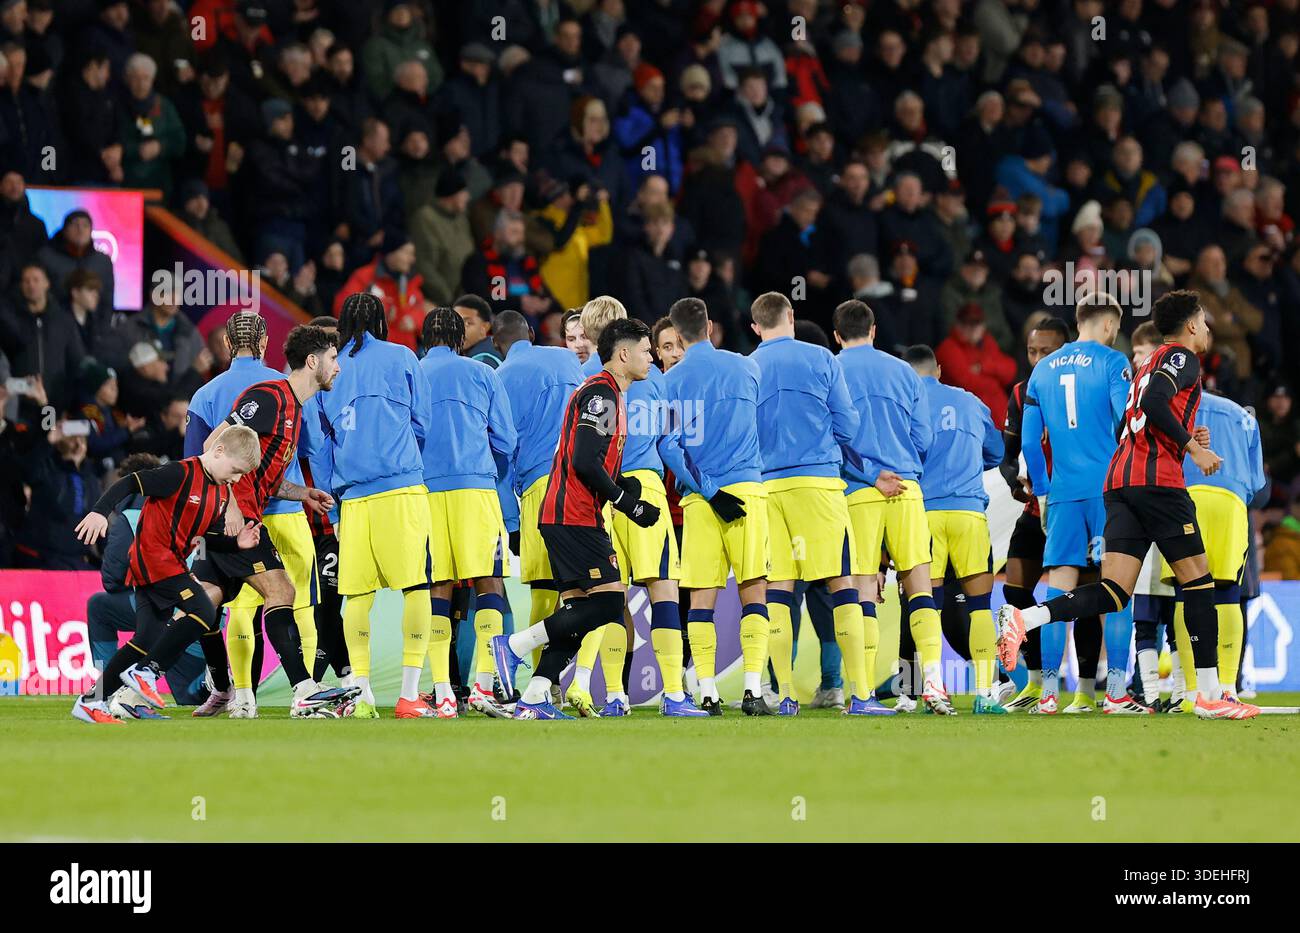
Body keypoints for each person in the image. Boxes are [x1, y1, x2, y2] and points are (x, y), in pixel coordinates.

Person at [997, 290, 1261, 720]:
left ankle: (1025, 620)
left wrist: (1185, 437)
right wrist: (1191, 449)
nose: (1209, 329)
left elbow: (1140, 416)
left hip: (1118, 483)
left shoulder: (1143, 363)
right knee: (1199, 582)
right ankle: (1211, 695)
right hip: (1157, 484)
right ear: (1191, 326)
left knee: (1113, 590)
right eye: (1204, 322)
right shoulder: (1180, 358)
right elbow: (1156, 402)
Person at [490, 318, 660, 719]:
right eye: (645, 350)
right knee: (609, 603)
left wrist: (623, 483)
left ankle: (533, 698)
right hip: (573, 516)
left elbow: (590, 458)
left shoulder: (607, 395)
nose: (650, 357)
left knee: (579, 615)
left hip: (571, 514)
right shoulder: (601, 395)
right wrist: (625, 501)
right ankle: (514, 646)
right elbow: (584, 460)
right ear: (623, 354)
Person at [176, 325, 347, 719]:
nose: (338, 368)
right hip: (235, 522)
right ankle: (303, 690)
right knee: (281, 591)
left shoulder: (294, 409)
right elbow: (211, 447)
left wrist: (303, 493)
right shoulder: (269, 397)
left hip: (233, 518)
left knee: (204, 603)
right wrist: (232, 506)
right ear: (312, 361)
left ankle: (135, 679)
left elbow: (265, 478)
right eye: (333, 359)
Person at [69, 425, 262, 724]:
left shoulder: (221, 491)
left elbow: (203, 536)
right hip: (155, 560)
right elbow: (130, 483)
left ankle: (91, 701)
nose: (236, 479)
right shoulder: (180, 474)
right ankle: (147, 671)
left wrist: (235, 543)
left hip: (166, 567)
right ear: (219, 451)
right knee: (202, 609)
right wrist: (98, 511)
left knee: (144, 639)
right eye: (236, 470)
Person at [1019, 293, 1140, 714]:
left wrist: (1043, 491)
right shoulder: (1113, 362)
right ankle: (1117, 694)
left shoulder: (1042, 370)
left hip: (1063, 493)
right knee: (1116, 589)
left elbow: (1030, 442)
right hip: (1109, 490)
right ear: (1109, 325)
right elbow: (1128, 423)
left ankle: (1050, 694)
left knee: (1060, 585)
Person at [749, 293, 866, 716]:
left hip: (768, 487)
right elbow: (849, 424)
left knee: (778, 587)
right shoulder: (821, 358)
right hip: (818, 484)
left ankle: (784, 696)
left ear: (755, 327)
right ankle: (859, 695)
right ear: (792, 317)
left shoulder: (749, 366)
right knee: (839, 582)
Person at [320, 293, 434, 720]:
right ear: (382, 320)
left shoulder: (332, 365)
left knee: (356, 596)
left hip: (351, 497)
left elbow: (322, 443)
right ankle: (408, 694)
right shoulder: (403, 356)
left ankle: (362, 694)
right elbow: (423, 422)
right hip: (400, 489)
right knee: (416, 587)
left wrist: (333, 508)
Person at [833, 299, 947, 712]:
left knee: (863, 588)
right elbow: (925, 438)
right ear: (874, 330)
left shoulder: (833, 369)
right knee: (919, 586)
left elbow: (833, 438)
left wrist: (867, 475)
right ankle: (933, 683)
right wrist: (900, 468)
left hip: (858, 492)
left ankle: (862, 694)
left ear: (836, 335)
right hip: (906, 487)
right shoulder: (904, 372)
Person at [659, 297, 771, 716]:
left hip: (700, 500)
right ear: (710, 326)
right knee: (754, 591)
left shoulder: (671, 382)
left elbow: (669, 448)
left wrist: (708, 490)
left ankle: (705, 690)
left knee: (702, 599)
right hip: (748, 492)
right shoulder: (746, 368)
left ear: (678, 332)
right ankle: (753, 690)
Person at [415, 307, 515, 719]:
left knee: (437, 586)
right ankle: (484, 686)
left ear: (424, 338)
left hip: (426, 493)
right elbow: (506, 440)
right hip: (475, 490)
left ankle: (441, 692)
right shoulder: (483, 374)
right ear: (462, 339)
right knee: (488, 583)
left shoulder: (414, 373)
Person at [905, 344, 1006, 713]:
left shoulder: (907, 407)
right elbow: (995, 453)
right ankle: (986, 693)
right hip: (968, 513)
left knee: (925, 601)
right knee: (980, 604)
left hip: (923, 514)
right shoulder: (970, 402)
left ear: (907, 375)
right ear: (940, 369)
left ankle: (929, 685)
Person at [1164, 385, 1265, 706]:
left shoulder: (1168, 409)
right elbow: (1257, 483)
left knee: (1186, 591)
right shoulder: (1242, 416)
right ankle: (1228, 687)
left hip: (1185, 496)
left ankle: (1193, 691)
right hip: (1230, 500)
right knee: (1228, 593)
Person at [492, 309, 584, 656]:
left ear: (497, 343)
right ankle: (591, 686)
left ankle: (542, 685)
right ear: (531, 331)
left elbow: (500, 453)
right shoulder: (568, 360)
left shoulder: (501, 377)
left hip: (540, 488)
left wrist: (511, 523)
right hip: (583, 484)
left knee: (545, 589)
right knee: (592, 588)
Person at [998, 316, 1071, 712]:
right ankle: (1039, 677)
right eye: (1032, 351)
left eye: (1046, 351)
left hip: (1071, 506)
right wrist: (1014, 481)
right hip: (1033, 507)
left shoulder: (1081, 389)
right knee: (1014, 590)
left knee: (1075, 596)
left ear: (1064, 351)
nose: (1038, 358)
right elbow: (1008, 458)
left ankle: (1093, 687)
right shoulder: (1021, 392)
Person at [452, 294, 501, 368]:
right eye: (454, 322)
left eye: (468, 323)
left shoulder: (484, 361)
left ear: (484, 328)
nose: (458, 328)